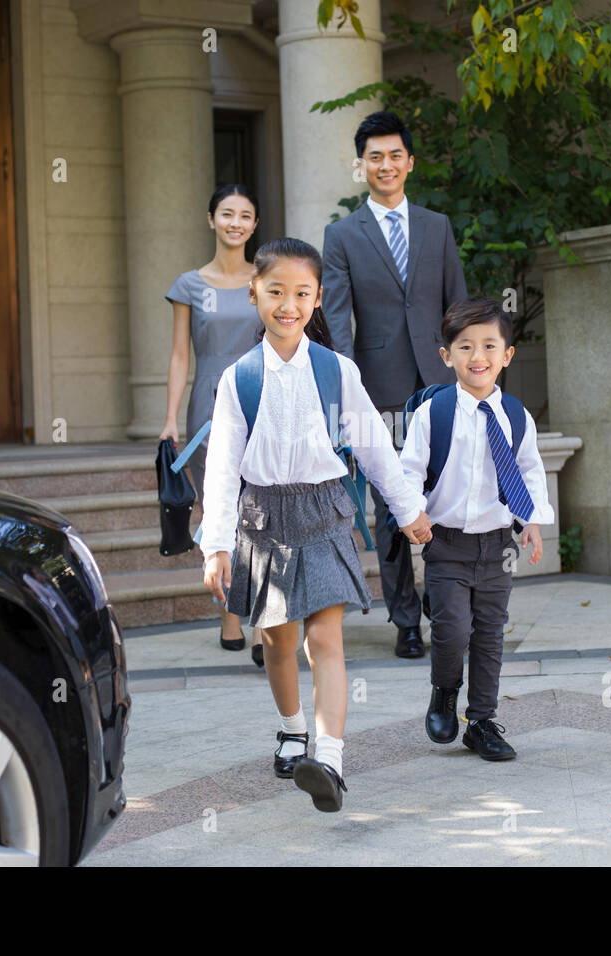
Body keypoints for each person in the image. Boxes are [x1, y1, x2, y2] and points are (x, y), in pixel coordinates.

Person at [200, 237, 432, 812]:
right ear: (254, 291)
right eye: (276, 290)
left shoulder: (336, 371)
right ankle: (291, 729)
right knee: (279, 645)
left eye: (302, 293)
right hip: (264, 518)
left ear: (318, 298)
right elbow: (223, 466)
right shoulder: (240, 378)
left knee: (325, 640)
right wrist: (215, 545)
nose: (288, 304)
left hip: (326, 512)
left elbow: (375, 446)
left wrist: (407, 509)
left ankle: (328, 758)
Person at [322, 110, 468, 660]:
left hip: (438, 386)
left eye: (394, 155)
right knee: (390, 504)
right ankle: (406, 618)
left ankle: (445, 602)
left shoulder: (437, 226)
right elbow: (337, 320)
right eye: (374, 157)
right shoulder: (341, 235)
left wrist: (468, 372)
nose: (385, 165)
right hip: (376, 393)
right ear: (362, 166)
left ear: (409, 161)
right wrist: (343, 390)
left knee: (444, 494)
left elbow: (456, 305)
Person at [399, 298, 553, 761]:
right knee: (452, 630)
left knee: (490, 634)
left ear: (507, 355)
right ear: (447, 356)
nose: (478, 356)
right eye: (465, 346)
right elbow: (409, 470)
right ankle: (445, 691)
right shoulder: (435, 413)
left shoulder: (516, 416)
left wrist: (532, 523)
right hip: (445, 544)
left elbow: (529, 470)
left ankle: (482, 721)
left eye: (489, 345)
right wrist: (412, 513)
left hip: (496, 546)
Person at [160, 184, 266, 665]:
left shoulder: (265, 278)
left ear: (254, 224)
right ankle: (229, 615)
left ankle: (264, 618)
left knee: (263, 509)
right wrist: (168, 420)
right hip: (207, 405)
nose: (235, 222)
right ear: (211, 220)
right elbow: (181, 355)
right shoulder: (189, 284)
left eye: (245, 215)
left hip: (261, 399)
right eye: (227, 214)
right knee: (219, 511)